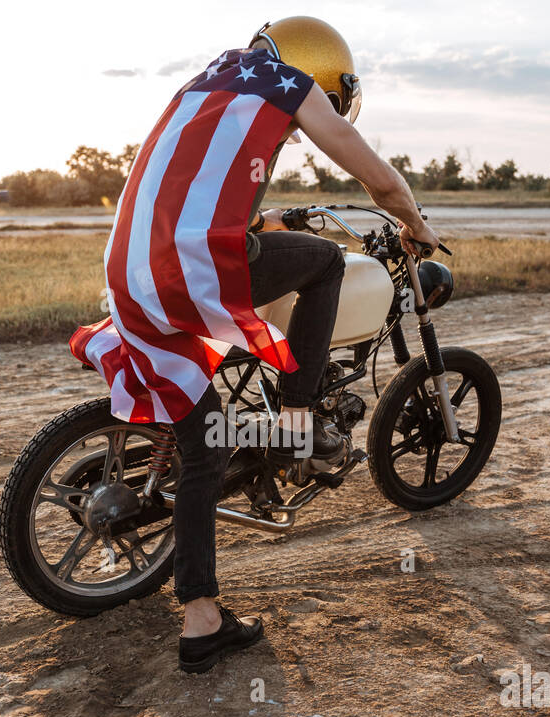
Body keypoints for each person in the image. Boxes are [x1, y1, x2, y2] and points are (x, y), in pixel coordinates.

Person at [69, 16, 440, 673]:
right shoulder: (288, 84)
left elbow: (198, 191)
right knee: (324, 265)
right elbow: (379, 181)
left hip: (129, 269)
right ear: (323, 75)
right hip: (188, 269)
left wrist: (266, 220)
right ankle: (294, 424)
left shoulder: (207, 84)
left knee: (211, 406)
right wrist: (415, 225)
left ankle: (254, 440)